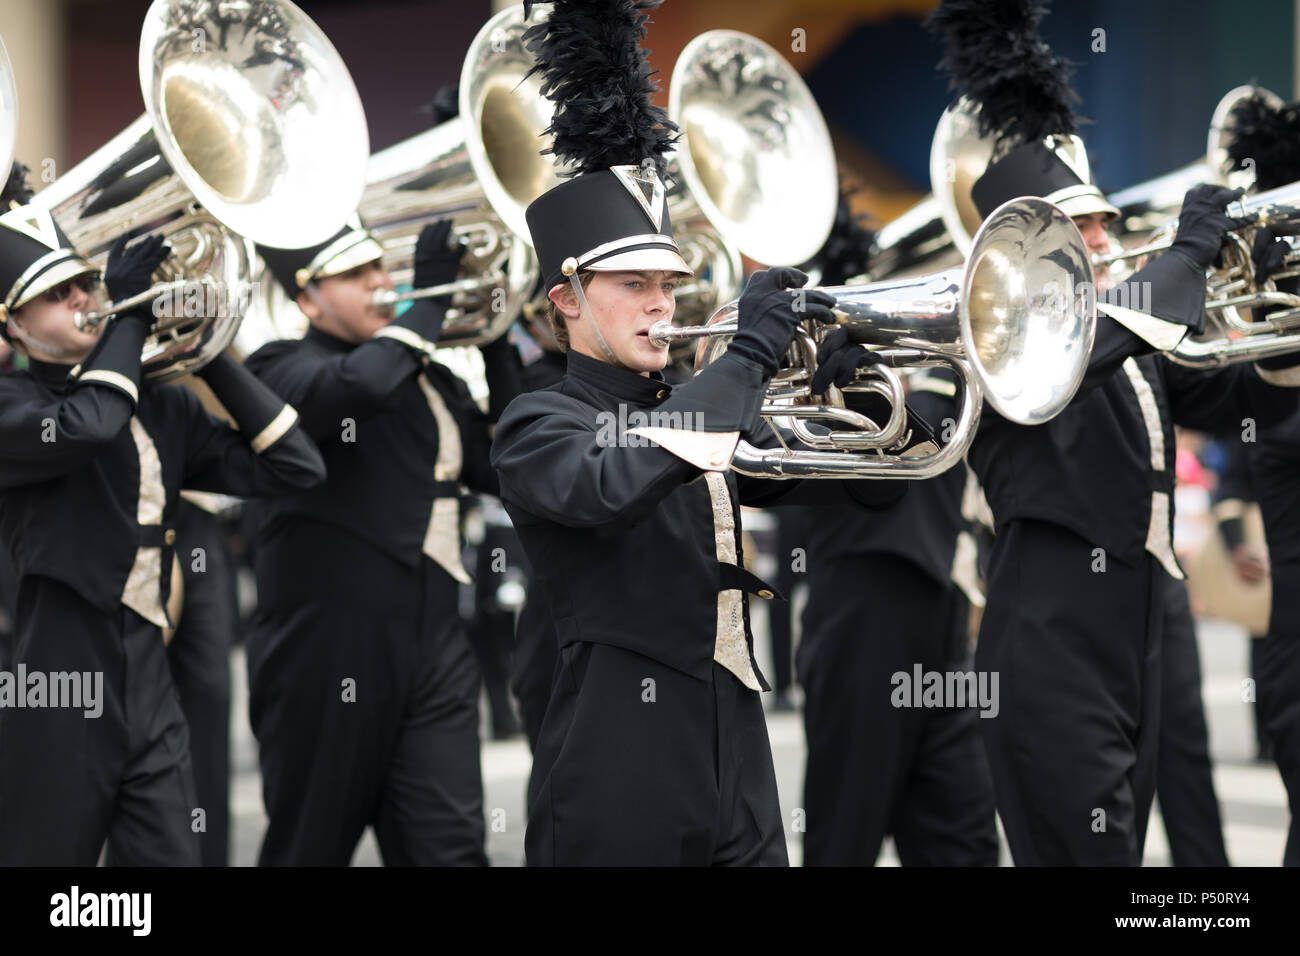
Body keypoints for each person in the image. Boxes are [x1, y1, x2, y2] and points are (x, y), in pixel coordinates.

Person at [494, 0, 907, 865]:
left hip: (738, 734)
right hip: (617, 753)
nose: (660, 302)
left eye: (669, 283)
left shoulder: (694, 404)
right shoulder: (539, 420)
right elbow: (614, 483)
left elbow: (871, 483)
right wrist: (747, 356)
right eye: (632, 284)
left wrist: (862, 394)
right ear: (566, 299)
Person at [929, 0, 1300, 865]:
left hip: (1138, 625)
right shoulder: (1002, 344)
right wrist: (1183, 259)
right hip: (1050, 636)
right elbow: (1086, 350)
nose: (1103, 239)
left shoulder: (1126, 341)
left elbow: (1251, 405)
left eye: (1099, 222)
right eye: (1077, 228)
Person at [0, 180, 325, 865]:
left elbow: (296, 468)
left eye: (88, 285)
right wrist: (127, 321)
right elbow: (86, 427)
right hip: (59, 682)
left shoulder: (160, 405)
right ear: (12, 324)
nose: (86, 299)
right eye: (59, 295)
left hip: (150, 682)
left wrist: (213, 349)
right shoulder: (15, 404)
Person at [243, 214, 519, 865]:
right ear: (307, 298)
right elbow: (356, 387)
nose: (378, 284)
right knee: (308, 847)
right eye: (354, 275)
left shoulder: (433, 378)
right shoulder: (279, 365)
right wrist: (426, 298)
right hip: (324, 649)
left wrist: (499, 341)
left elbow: (510, 466)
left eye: (380, 269)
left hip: (437, 641)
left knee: (450, 850)